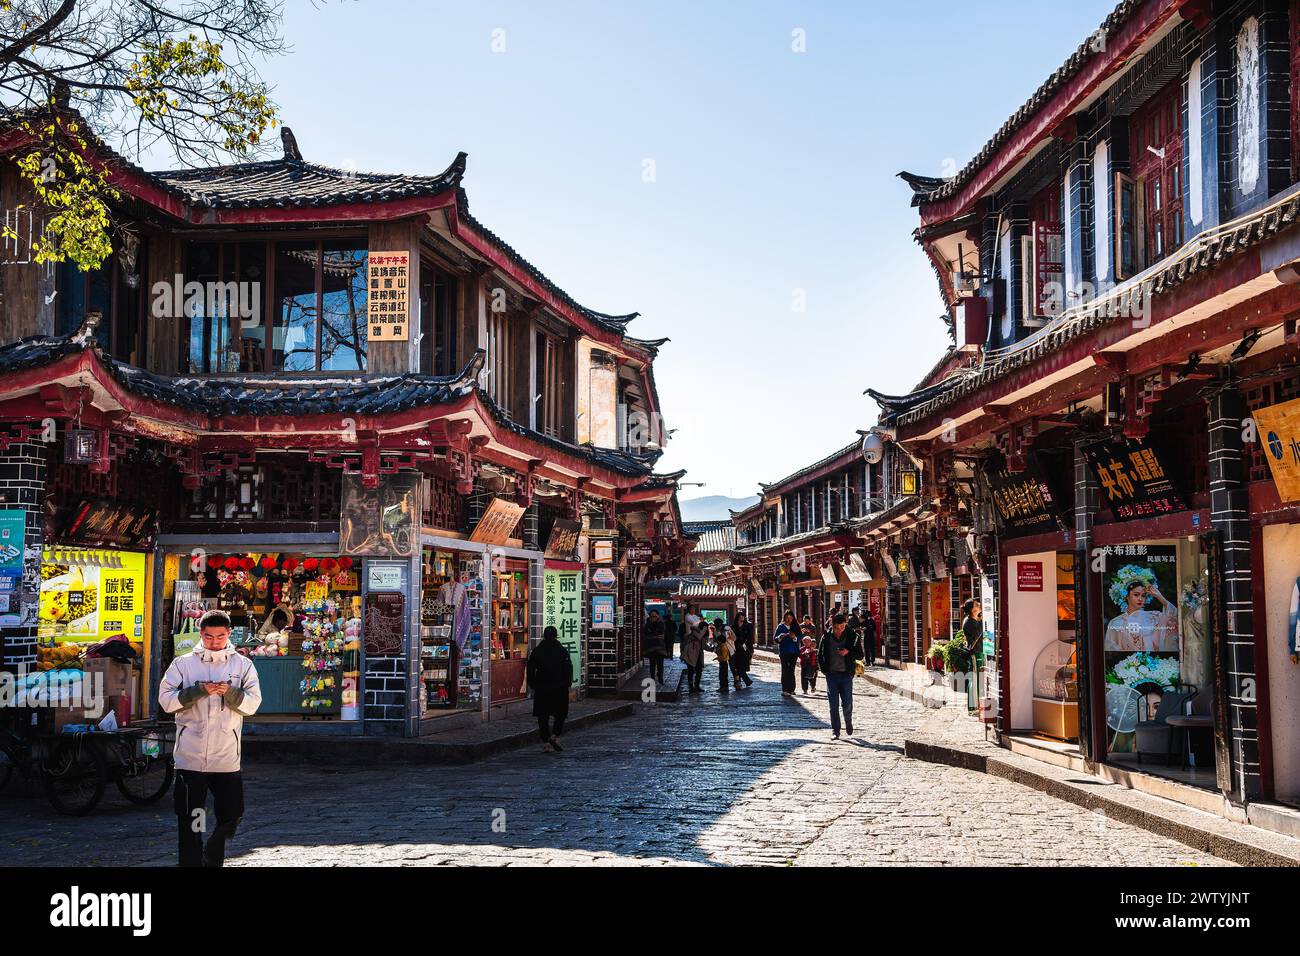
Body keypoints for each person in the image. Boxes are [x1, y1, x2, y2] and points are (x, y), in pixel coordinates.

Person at [159, 608, 262, 867]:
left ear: (229, 634)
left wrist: (231, 693)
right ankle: (193, 863)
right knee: (193, 818)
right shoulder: (183, 664)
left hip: (226, 757)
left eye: (220, 636)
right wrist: (197, 691)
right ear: (200, 634)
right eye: (208, 636)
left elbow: (252, 704)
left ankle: (213, 851)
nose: (214, 642)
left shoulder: (242, 665)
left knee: (232, 814)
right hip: (190, 757)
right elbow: (166, 701)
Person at [527, 625, 574, 751]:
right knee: (561, 713)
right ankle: (555, 735)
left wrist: (532, 684)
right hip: (559, 688)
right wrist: (567, 683)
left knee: (543, 716)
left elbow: (530, 669)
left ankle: (546, 741)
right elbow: (568, 668)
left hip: (542, 687)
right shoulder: (561, 650)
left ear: (544, 636)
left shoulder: (537, 650)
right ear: (556, 636)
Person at [819, 612, 863, 740]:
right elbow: (820, 655)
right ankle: (835, 730)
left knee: (847, 703)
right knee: (833, 705)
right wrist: (824, 670)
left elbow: (860, 655)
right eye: (838, 627)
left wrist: (848, 652)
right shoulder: (826, 637)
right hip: (831, 675)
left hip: (846, 675)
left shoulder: (852, 636)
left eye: (843, 627)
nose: (840, 630)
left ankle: (848, 721)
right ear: (833, 626)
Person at [775, 611, 801, 696]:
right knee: (785, 670)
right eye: (787, 617)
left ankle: (792, 689)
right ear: (784, 618)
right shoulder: (781, 627)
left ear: (793, 618)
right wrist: (780, 637)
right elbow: (775, 638)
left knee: (791, 670)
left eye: (790, 618)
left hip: (794, 652)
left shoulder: (796, 626)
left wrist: (794, 637)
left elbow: (800, 638)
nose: (788, 619)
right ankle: (785, 689)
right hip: (784, 652)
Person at [731, 611, 755, 688]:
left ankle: (739, 683)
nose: (742, 619)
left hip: (744, 649)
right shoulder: (733, 627)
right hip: (735, 649)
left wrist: (751, 649)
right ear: (737, 618)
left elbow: (750, 638)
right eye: (740, 617)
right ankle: (742, 682)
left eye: (743, 617)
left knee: (741, 667)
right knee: (736, 667)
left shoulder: (747, 626)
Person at [642, 609, 667, 685]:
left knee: (660, 664)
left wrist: (653, 635)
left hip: (660, 648)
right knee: (652, 664)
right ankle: (652, 678)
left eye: (655, 616)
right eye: (652, 616)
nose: (653, 618)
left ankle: (660, 678)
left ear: (658, 616)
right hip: (651, 648)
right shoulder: (647, 624)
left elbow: (660, 632)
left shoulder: (661, 623)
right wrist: (655, 635)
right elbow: (647, 633)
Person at [681, 615, 705, 692]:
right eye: (700, 620)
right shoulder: (694, 630)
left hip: (699, 654)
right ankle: (691, 687)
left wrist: (713, 649)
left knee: (699, 670)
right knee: (691, 670)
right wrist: (704, 630)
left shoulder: (701, 630)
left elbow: (703, 643)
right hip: (691, 653)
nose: (701, 621)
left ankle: (697, 686)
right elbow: (699, 637)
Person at [713, 617, 735, 693]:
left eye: (719, 625)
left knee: (733, 669)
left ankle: (737, 684)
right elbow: (715, 641)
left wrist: (729, 633)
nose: (718, 627)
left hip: (730, 651)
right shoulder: (715, 631)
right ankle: (724, 686)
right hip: (722, 653)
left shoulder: (728, 629)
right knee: (722, 671)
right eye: (717, 626)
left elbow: (734, 638)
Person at [799, 628, 819, 695]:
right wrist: (804, 654)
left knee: (812, 678)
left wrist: (811, 651)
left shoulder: (813, 649)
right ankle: (805, 690)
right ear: (803, 642)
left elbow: (816, 657)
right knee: (803, 678)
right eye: (805, 642)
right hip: (804, 665)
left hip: (812, 666)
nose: (806, 643)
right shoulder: (802, 649)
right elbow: (800, 656)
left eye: (808, 642)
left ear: (810, 642)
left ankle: (813, 686)